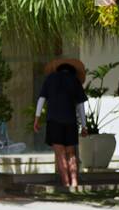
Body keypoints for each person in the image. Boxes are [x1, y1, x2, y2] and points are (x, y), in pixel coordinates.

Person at [34, 59, 88, 189]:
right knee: (71, 153)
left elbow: (41, 99)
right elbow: (80, 105)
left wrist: (37, 118)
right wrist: (84, 126)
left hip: (54, 120)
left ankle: (66, 182)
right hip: (70, 121)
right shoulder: (75, 80)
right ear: (72, 71)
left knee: (60, 153)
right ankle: (74, 182)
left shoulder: (50, 79)